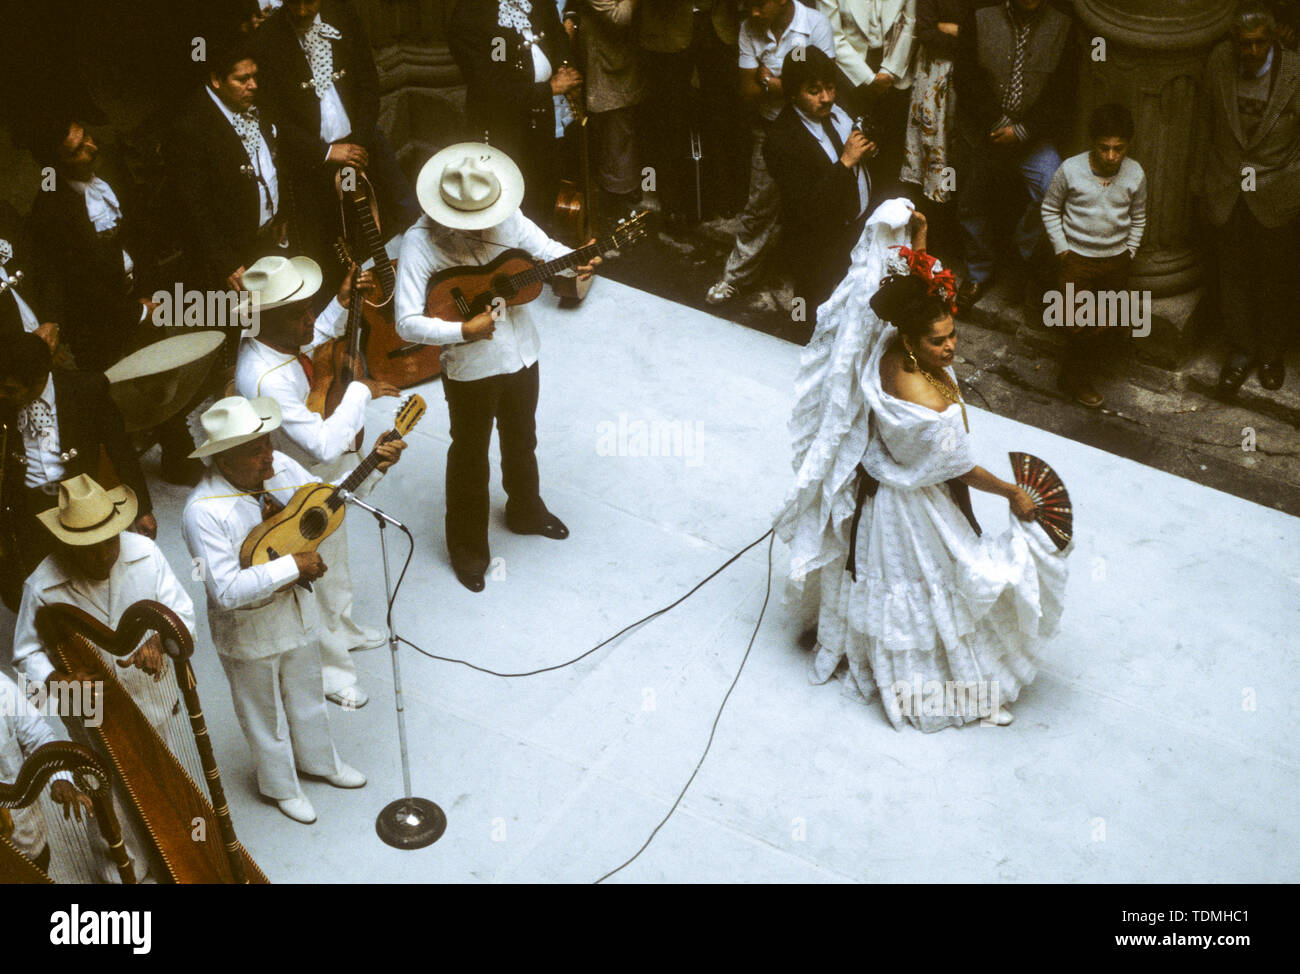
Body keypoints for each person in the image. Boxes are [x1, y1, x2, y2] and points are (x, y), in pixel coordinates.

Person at [775, 196, 1071, 731]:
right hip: (914, 508)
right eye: (940, 341)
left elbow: (903, 294)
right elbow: (961, 470)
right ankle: (956, 692)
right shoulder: (928, 404)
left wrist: (919, 247)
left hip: (887, 482)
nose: (951, 346)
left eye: (953, 333)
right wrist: (1012, 493)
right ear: (914, 343)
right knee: (946, 586)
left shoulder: (890, 340)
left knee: (918, 591)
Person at [181, 395, 405, 823]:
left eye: (267, 442)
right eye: (255, 450)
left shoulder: (279, 467)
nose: (269, 455)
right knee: (263, 714)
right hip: (249, 631)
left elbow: (326, 502)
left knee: (307, 695)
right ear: (222, 459)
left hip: (298, 612)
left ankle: (322, 763)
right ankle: (281, 787)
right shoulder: (202, 513)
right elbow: (224, 590)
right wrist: (293, 565)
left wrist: (373, 466)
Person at [394, 143, 598, 592]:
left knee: (522, 435)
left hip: (522, 351)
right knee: (469, 455)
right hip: (470, 366)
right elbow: (406, 322)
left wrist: (578, 258)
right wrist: (463, 331)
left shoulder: (507, 215)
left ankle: (526, 510)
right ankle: (467, 548)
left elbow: (546, 249)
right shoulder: (419, 244)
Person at [11, 473, 196, 882]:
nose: (102, 556)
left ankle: (173, 850)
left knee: (165, 786)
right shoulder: (42, 585)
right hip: (90, 715)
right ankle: (121, 869)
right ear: (66, 543)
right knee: (108, 797)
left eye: (109, 541)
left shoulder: (145, 553)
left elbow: (181, 613)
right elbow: (24, 655)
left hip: (151, 698)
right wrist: (58, 681)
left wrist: (160, 641)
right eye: (88, 548)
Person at [234, 253, 400, 708]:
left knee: (337, 560)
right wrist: (363, 390)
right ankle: (330, 673)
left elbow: (308, 342)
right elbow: (325, 445)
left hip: (312, 475)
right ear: (267, 319)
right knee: (313, 577)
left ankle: (342, 628)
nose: (311, 319)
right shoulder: (265, 375)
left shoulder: (276, 343)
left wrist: (342, 304)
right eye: (298, 314)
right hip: (288, 488)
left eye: (310, 308)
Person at [252, 0, 420, 291]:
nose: (302, 11)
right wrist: (326, 152)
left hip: (364, 143)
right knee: (334, 249)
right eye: (294, 3)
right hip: (313, 160)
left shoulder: (344, 14)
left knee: (405, 217)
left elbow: (369, 85)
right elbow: (272, 117)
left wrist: (359, 143)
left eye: (310, 2)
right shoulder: (267, 38)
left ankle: (414, 288)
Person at [0, 334, 154, 612]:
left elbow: (120, 447)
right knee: (39, 586)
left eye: (11, 390)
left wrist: (142, 507)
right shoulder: (4, 395)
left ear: (38, 378)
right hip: (27, 507)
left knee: (90, 577)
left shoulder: (86, 389)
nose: (3, 395)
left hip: (80, 502)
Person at [1195, 1, 1300, 396]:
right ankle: (1241, 352)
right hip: (1227, 188)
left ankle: (1271, 354)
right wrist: (1199, 182)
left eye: (1259, 43)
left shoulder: (1295, 70)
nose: (1251, 52)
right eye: (1244, 44)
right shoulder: (1219, 61)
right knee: (1233, 274)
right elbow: (1204, 121)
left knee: (1275, 279)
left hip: (1277, 192)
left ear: (1273, 38)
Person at [706, 0, 836, 306]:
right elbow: (747, 90)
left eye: (758, 5)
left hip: (812, 133)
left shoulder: (815, 24)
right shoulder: (748, 28)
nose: (751, 12)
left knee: (813, 211)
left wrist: (767, 79)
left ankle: (813, 287)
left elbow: (822, 90)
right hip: (769, 130)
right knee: (758, 209)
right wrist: (790, 85)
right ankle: (736, 277)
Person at [953, 0, 1077, 311]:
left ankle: (1022, 259)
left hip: (1032, 135)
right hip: (984, 130)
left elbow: (1063, 93)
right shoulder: (980, 12)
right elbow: (965, 78)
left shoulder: (1065, 24)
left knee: (1054, 190)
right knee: (971, 200)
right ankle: (979, 271)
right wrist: (997, 123)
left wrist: (1023, 131)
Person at [1040, 102, 1147, 408]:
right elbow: (1050, 209)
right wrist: (1062, 248)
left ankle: (1072, 377)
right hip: (1077, 261)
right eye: (1104, 148)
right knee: (1078, 325)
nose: (1111, 156)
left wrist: (1131, 250)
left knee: (1106, 324)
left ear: (1128, 145)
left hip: (1116, 261)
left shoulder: (1135, 173)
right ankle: (1077, 380)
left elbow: (1139, 216)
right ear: (1093, 143)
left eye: (1119, 148)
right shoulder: (1070, 170)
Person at [763, 45, 876, 332]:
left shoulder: (839, 109)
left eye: (829, 87)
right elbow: (806, 207)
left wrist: (869, 150)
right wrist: (846, 162)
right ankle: (799, 343)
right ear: (792, 94)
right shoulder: (781, 140)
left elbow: (861, 145)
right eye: (814, 91)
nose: (826, 98)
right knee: (812, 304)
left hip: (855, 229)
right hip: (816, 244)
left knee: (852, 300)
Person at [447, 0, 582, 230]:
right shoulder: (469, 14)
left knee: (543, 190)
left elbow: (556, 35)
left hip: (541, 116)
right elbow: (488, 87)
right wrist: (549, 88)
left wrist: (564, 67)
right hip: (500, 126)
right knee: (508, 199)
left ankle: (539, 256)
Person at [169, 40, 290, 293]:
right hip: (230, 262)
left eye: (254, 76)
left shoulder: (253, 101)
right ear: (216, 80)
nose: (253, 85)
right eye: (242, 79)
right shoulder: (192, 128)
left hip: (265, 240)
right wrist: (226, 262)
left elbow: (274, 162)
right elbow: (192, 206)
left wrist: (280, 213)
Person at [637, 0, 746, 226]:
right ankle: (674, 204)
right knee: (669, 118)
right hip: (667, 30)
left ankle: (722, 197)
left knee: (722, 116)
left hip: (718, 27)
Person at [0, 671, 95, 876]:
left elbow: (38, 735)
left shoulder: (2, 688)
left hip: (25, 831)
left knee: (38, 867)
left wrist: (60, 777)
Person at [817, 0, 917, 194]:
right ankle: (859, 207)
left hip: (895, 68)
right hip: (851, 73)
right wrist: (869, 78)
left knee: (893, 149)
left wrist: (890, 70)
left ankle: (894, 212)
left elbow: (910, 23)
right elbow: (832, 36)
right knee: (857, 144)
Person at [575, 1, 648, 221]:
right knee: (615, 131)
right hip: (606, 62)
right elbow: (619, 17)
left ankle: (626, 185)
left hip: (627, 56)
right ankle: (617, 194)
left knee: (625, 129)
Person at [900, 0, 967, 213]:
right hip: (934, 76)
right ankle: (937, 208)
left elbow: (986, 32)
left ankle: (954, 203)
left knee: (958, 142)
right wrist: (965, 36)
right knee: (937, 144)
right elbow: (926, 34)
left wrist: (957, 31)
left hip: (970, 73)